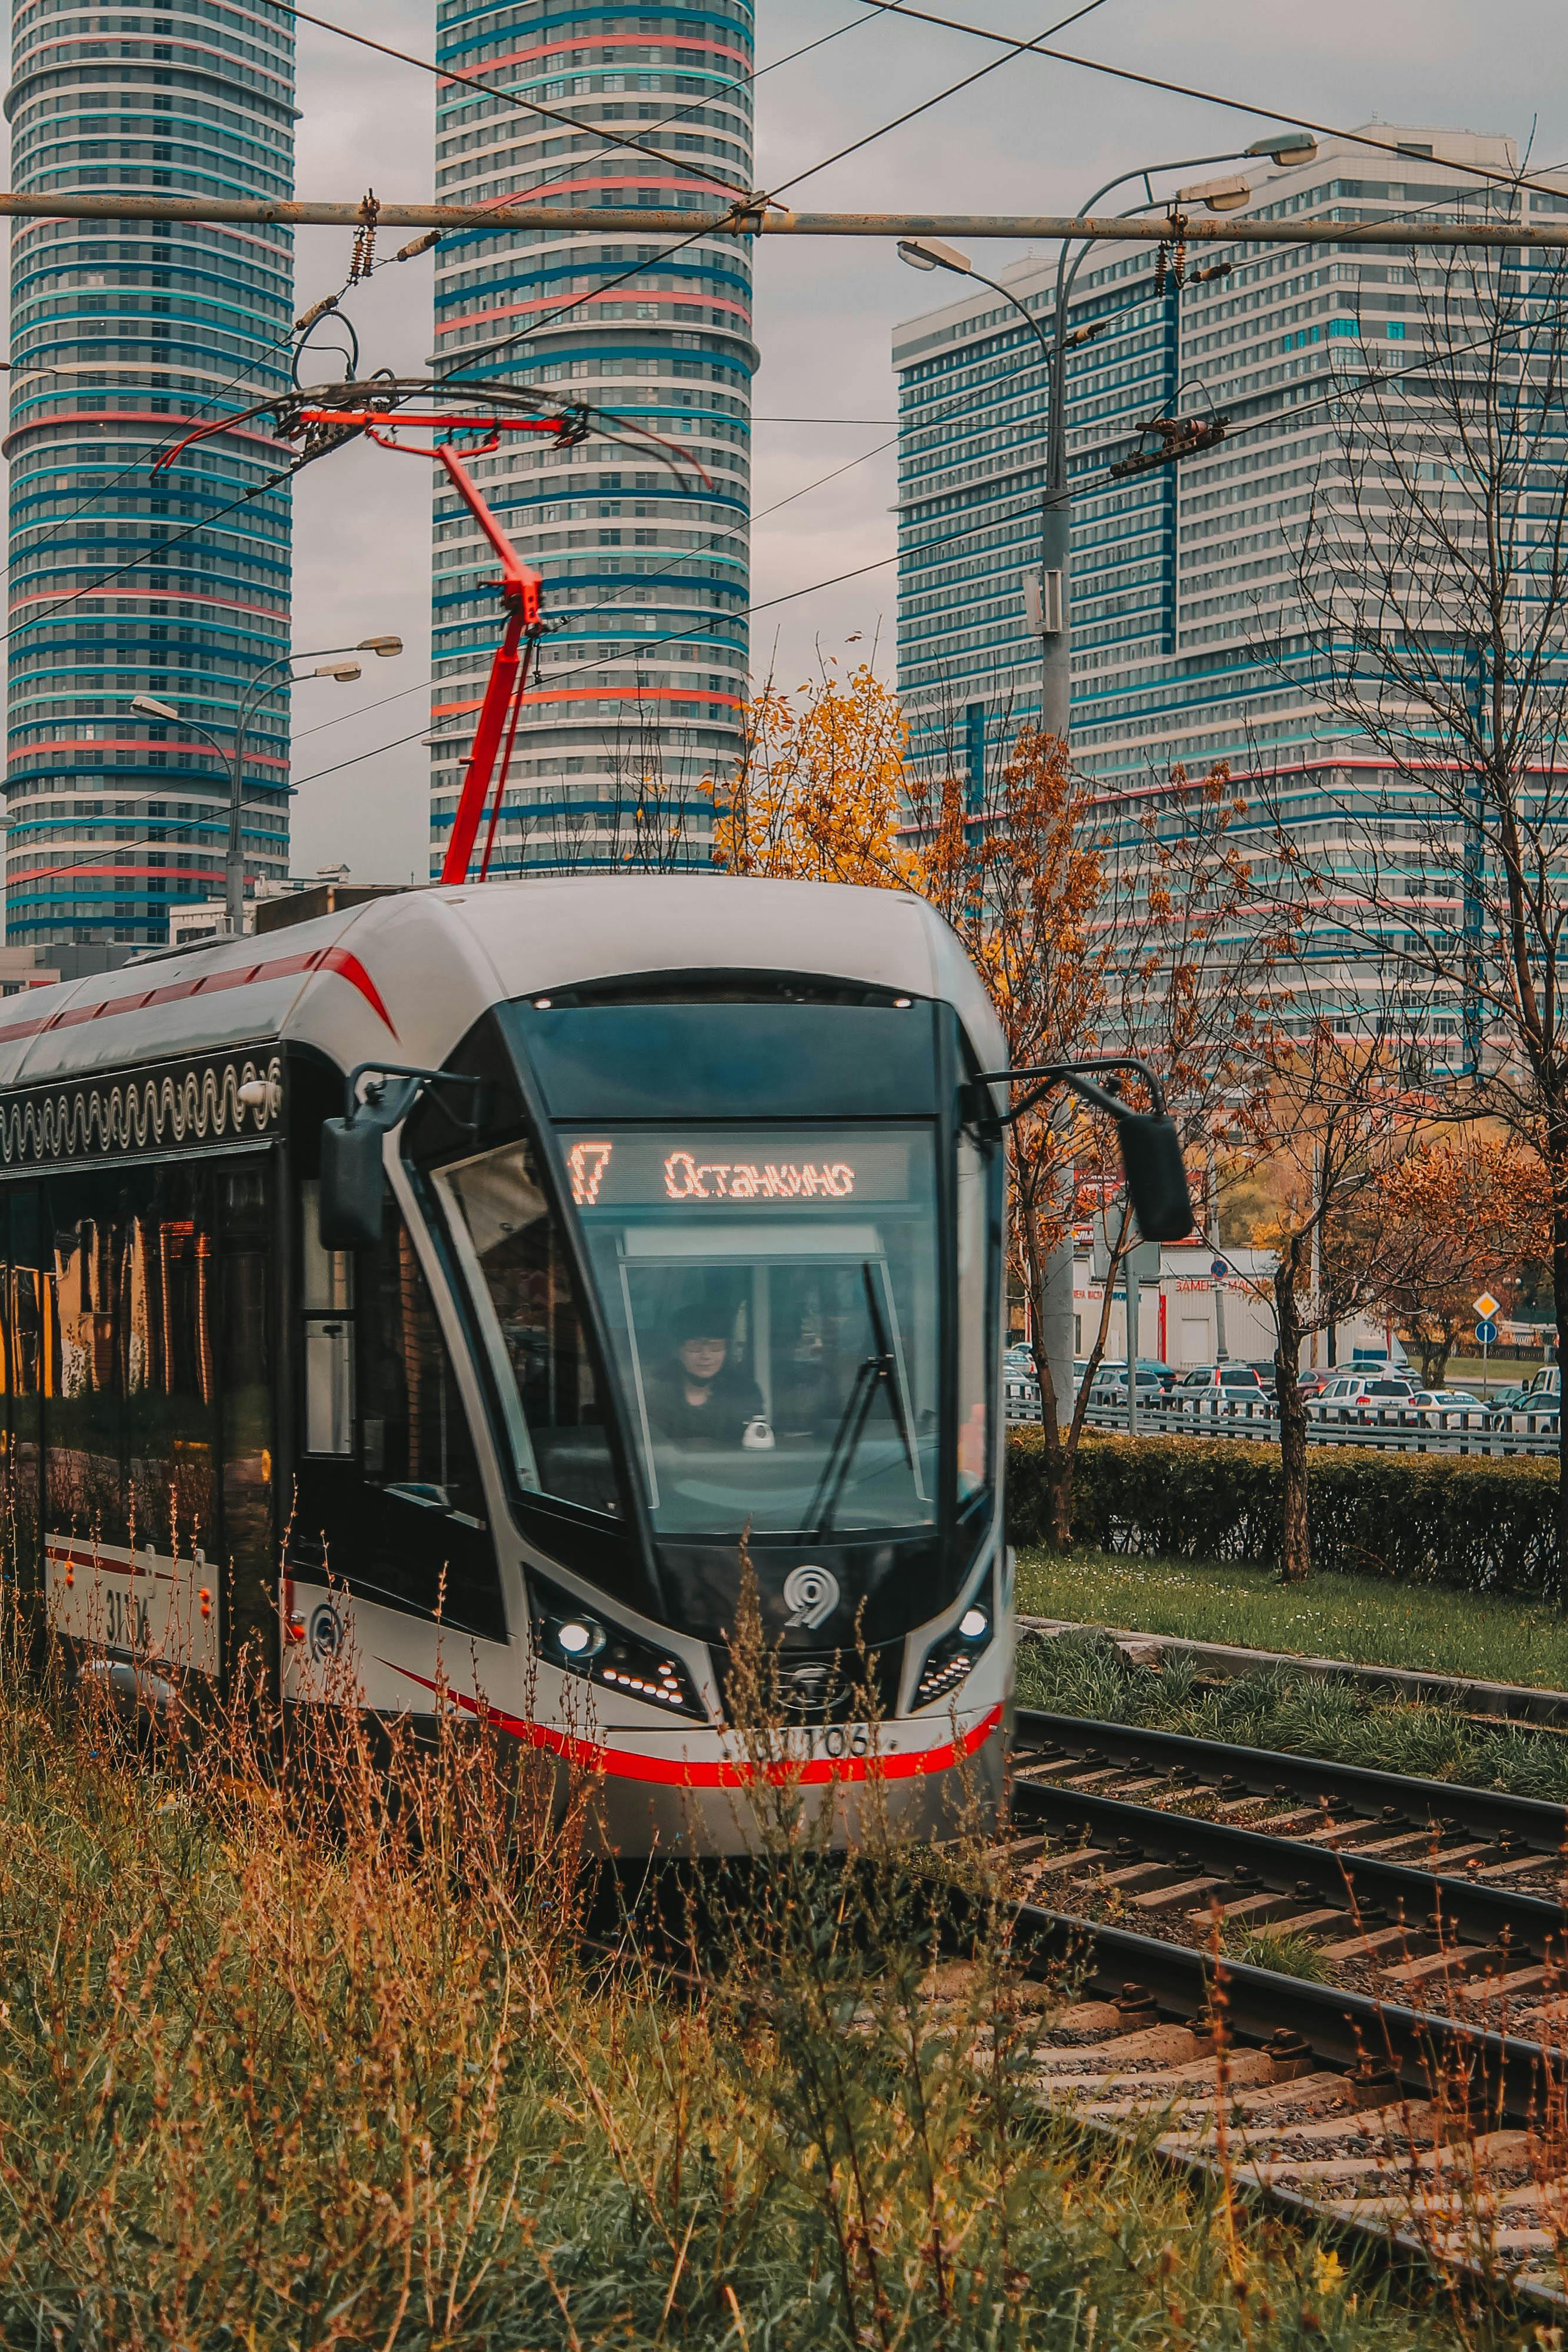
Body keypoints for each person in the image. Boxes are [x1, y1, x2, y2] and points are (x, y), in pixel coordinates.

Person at [644, 1305, 766, 1447]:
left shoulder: (745, 1392)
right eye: (695, 1347)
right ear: (677, 1350)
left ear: (726, 1350)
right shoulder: (653, 1394)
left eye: (715, 1347)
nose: (706, 1356)